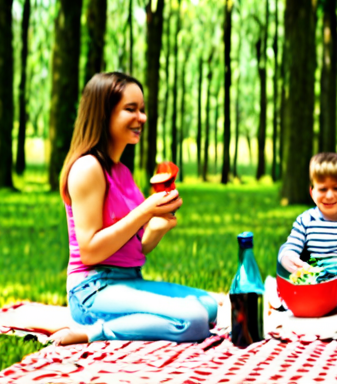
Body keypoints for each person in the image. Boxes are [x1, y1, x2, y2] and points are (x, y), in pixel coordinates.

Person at [50, 72, 218, 346]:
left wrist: (157, 227)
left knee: (209, 306)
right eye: (131, 109)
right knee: (194, 319)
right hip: (93, 289)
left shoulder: (123, 172)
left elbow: (137, 249)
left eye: (142, 109)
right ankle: (96, 331)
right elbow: (90, 250)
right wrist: (144, 212)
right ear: (104, 114)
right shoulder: (87, 168)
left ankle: (121, 322)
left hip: (128, 279)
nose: (142, 117)